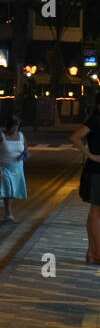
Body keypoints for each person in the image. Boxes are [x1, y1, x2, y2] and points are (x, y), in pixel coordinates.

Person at [69, 105, 100, 264]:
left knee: (95, 211)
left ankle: (92, 252)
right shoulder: (96, 120)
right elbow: (75, 137)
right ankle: (97, 252)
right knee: (96, 210)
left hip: (95, 170)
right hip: (97, 171)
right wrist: (90, 155)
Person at [0, 116, 27, 224]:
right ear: (8, 127)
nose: (15, 130)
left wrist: (24, 155)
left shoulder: (21, 136)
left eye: (17, 128)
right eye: (13, 128)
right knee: (8, 187)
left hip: (18, 168)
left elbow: (26, 150)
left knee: (13, 190)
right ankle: (8, 213)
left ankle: (7, 212)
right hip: (4, 166)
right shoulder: (1, 136)